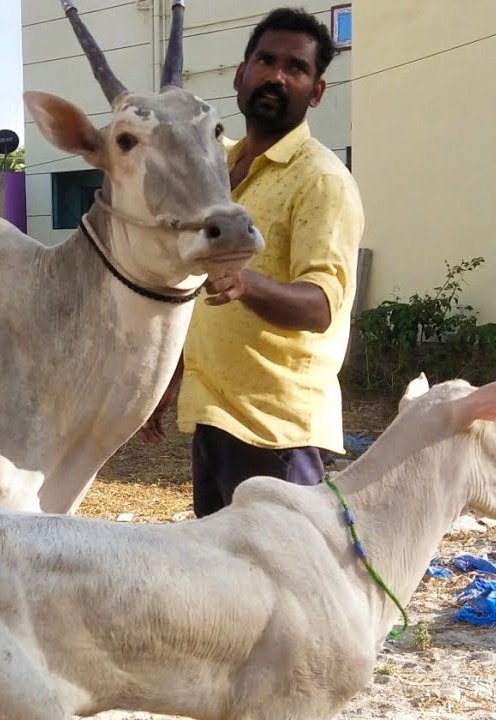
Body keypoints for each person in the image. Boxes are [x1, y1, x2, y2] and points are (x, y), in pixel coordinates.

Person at [139, 7, 365, 518]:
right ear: (241, 74)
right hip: (214, 417)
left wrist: (246, 284)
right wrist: (170, 381)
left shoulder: (321, 180)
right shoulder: (217, 171)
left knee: (282, 571)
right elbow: (201, 298)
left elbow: (321, 306)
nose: (276, 76)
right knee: (224, 569)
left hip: (275, 431)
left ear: (316, 92)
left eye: (296, 68)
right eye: (266, 61)